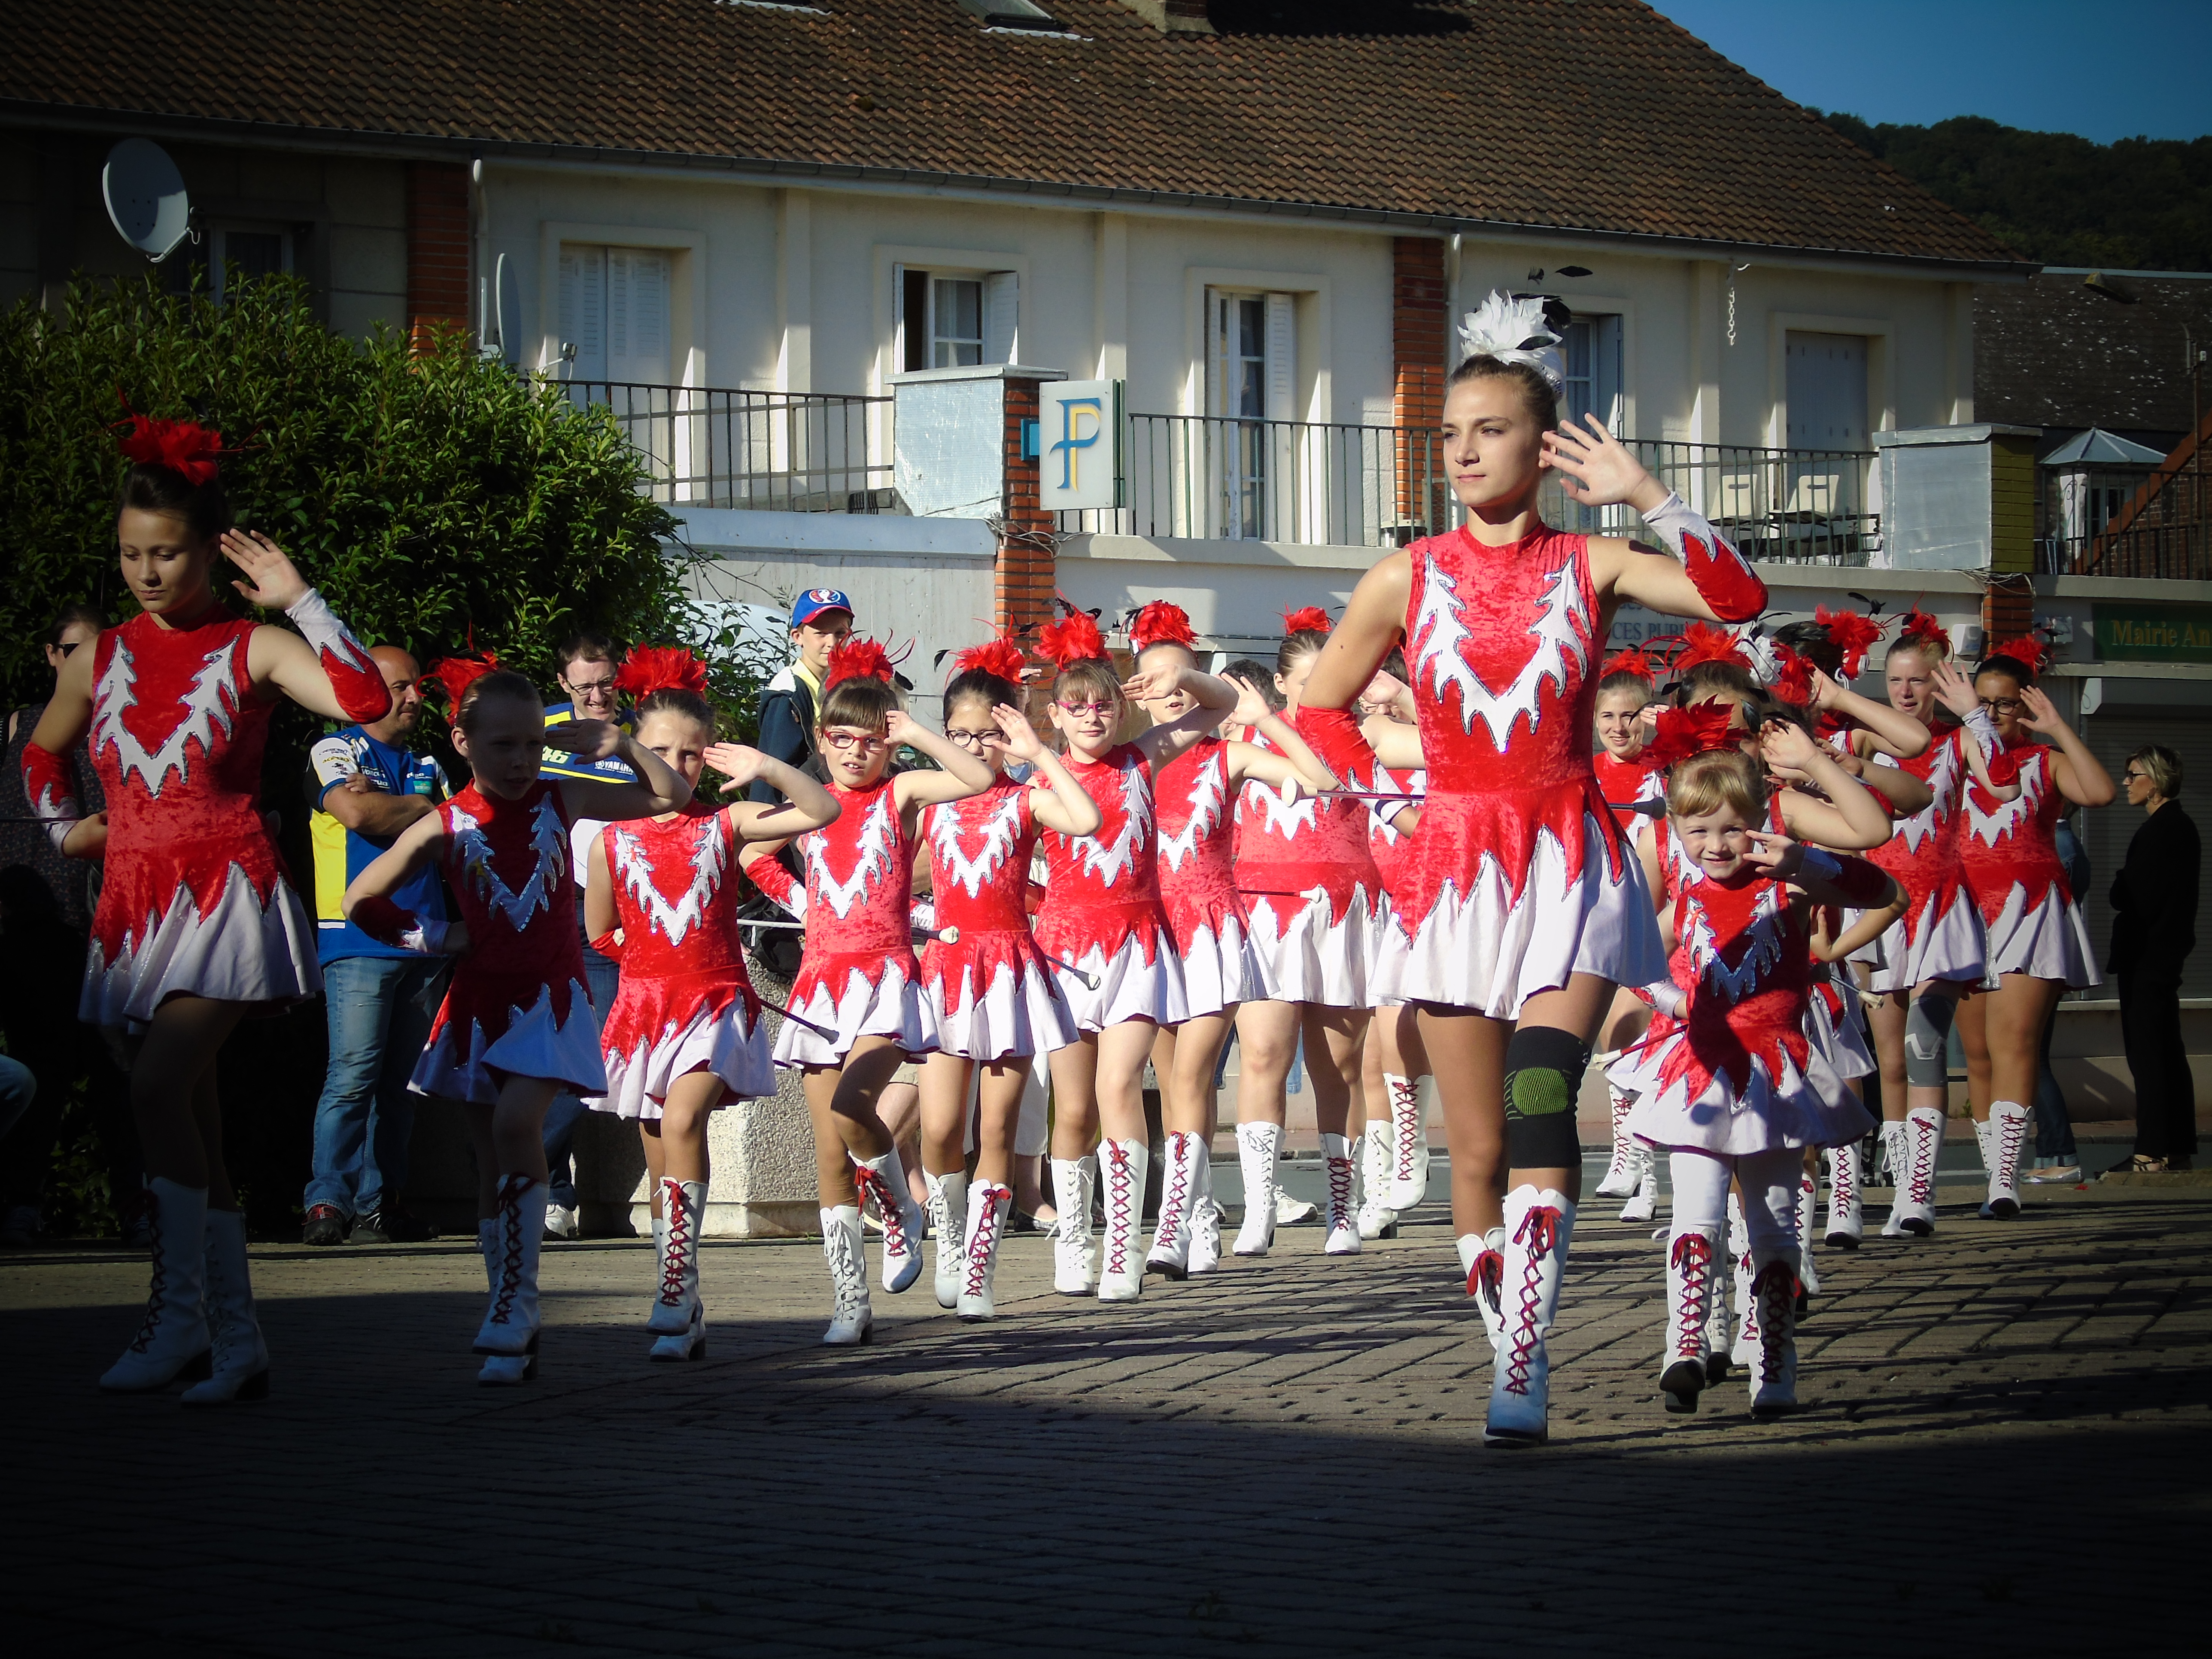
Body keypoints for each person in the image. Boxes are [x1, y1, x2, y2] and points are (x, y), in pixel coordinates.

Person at [1286, 290, 1781, 1446]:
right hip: (1456, 865)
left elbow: (1741, 600)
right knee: (1479, 1147)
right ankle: (1510, 1323)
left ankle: (1524, 1360)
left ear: (1544, 446)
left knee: (1542, 1086)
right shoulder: (1401, 578)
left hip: (1566, 857)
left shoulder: (1594, 558)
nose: (1464, 450)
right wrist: (1392, 776)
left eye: (1491, 429)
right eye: (1450, 433)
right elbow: (1320, 710)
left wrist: (1654, 498)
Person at [22, 411, 395, 1402]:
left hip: (229, 892)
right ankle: (235, 1342)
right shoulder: (95, 659)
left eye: (169, 554)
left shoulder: (256, 646)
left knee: (157, 1090)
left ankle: (178, 1316)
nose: (148, 573)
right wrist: (67, 829)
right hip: (137, 904)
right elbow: (38, 751)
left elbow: (365, 702)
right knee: (195, 1117)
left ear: (206, 548)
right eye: (132, 554)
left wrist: (304, 599)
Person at [343, 667, 690, 1383]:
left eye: (533, 742)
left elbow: (671, 794)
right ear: (463, 741)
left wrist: (619, 743)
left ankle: (518, 1299)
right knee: (487, 1157)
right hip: (477, 1004)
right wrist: (436, 937)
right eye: (503, 743)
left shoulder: (561, 797)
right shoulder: (446, 821)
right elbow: (363, 898)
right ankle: (507, 1299)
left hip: (549, 999)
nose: (520, 759)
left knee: (513, 1125)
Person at [1608, 738, 1895, 1417]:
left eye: (1731, 828)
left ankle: (1774, 1362)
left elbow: (1888, 891)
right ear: (1675, 831)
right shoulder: (1684, 887)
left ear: (1762, 818)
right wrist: (1674, 1002)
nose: (1715, 844)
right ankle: (1684, 1345)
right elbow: (1633, 952)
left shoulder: (1788, 881)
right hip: (1701, 1072)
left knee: (1772, 1226)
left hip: (1777, 1070)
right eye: (1697, 830)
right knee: (1696, 1214)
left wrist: (1807, 857)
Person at [580, 647, 840, 1359]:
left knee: (686, 1114)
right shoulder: (610, 836)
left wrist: (769, 766)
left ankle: (672, 1285)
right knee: (660, 1146)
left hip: (714, 1002)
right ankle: (683, 1284)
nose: (678, 764)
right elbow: (599, 927)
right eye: (660, 749)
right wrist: (643, 962)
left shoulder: (725, 823)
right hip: (642, 1011)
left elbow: (822, 808)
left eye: (692, 752)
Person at [738, 637, 993, 1344]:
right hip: (821, 977)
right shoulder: (811, 801)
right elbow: (748, 851)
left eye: (870, 738)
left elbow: (974, 778)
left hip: (885, 974)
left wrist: (912, 731)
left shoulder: (901, 789)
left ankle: (902, 1210)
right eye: (842, 739)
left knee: (857, 1101)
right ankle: (850, 1299)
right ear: (823, 738)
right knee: (829, 1149)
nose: (856, 752)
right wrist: (803, 904)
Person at [1032, 611, 1240, 1302]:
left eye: (1102, 704)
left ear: (1122, 709)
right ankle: (1075, 1241)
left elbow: (1224, 703)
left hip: (1137, 944)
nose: (1091, 716)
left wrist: (1178, 674)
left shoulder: (1143, 757)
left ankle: (1123, 1246)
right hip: (1063, 949)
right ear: (1055, 715)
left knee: (1121, 1085)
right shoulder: (1039, 780)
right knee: (1074, 1109)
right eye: (1076, 705)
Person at [1126, 603, 1328, 1277]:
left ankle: (1172, 1230)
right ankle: (1202, 1214)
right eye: (1154, 680)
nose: (1170, 690)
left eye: (1180, 678)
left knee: (1193, 1075)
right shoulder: (1131, 764)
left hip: (1213, 929)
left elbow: (1317, 779)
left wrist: (1264, 718)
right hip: (1152, 934)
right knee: (1169, 1078)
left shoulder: (1230, 754)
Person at [914, 638, 1097, 1318]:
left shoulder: (1026, 801)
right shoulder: (929, 806)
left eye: (990, 735)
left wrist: (1039, 752)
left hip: (1011, 972)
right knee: (939, 1130)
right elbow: (885, 878)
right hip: (945, 972)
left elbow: (1087, 819)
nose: (976, 747)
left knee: (996, 1130)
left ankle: (981, 1264)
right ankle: (951, 1239)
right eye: (961, 734)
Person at [1856, 615, 2017, 1238]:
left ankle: (1920, 1195)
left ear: (1938, 685)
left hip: (1941, 907)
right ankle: (1901, 1192)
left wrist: (1975, 713)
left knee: (1926, 1048)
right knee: (1889, 1062)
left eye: (1918, 681)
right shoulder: (1866, 741)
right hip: (1881, 907)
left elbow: (2003, 787)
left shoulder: (1956, 744)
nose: (1905, 691)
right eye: (1895, 679)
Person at [1228, 611, 1379, 1261]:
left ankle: (1343, 1209)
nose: (1326, 687)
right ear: (1284, 685)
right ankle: (1258, 1210)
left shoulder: (1363, 735)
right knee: (1262, 1054)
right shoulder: (1251, 739)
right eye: (1311, 678)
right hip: (1264, 908)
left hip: (1343, 907)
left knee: (1338, 1067)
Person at [1952, 638, 2113, 1215]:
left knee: (2014, 1042)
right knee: (1975, 1055)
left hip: (2031, 908)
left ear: (2025, 708)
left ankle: (2006, 1181)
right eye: (1985, 702)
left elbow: (2100, 793)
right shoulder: (1955, 755)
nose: (1995, 713)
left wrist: (2059, 727)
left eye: (2007, 703)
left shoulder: (2045, 761)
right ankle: (1992, 1167)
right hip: (1965, 913)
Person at [299, 645, 451, 1246]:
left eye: (416, 686)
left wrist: (409, 808)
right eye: (397, 687)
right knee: (353, 1076)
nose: (413, 697)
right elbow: (359, 816)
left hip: (426, 941)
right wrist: (420, 808)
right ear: (362, 691)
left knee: (400, 1088)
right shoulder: (333, 748)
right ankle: (326, 1202)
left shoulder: (428, 761)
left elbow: (452, 831)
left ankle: (382, 1205)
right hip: (357, 939)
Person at [2, 602, 128, 1246]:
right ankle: (21, 1206)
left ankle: (140, 1209)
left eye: (100, 652)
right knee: (38, 1069)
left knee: (120, 1069)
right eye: (75, 649)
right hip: (34, 926)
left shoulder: (118, 731)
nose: (89, 664)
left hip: (108, 924)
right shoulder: (16, 730)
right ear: (52, 655)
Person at [537, 629, 638, 1240]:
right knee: (541, 1049)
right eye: (585, 686)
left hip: (608, 909)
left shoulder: (637, 733)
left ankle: (518, 1166)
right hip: (541, 905)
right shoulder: (539, 732)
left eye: (607, 683)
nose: (598, 695)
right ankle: (547, 1188)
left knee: (593, 1051)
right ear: (563, 686)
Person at [2109, 744, 2200, 1173]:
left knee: (2148, 1053)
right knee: (2166, 1048)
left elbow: (2133, 894)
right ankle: (2176, 1145)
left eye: (2133, 774)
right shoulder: (2178, 827)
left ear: (2156, 781)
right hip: (2163, 955)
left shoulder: (2162, 830)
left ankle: (2150, 1150)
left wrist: (2120, 882)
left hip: (2147, 957)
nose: (2126, 782)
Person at [750, 587, 854, 801]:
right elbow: (777, 768)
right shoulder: (788, 692)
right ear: (797, 637)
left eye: (840, 634)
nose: (832, 643)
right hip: (799, 814)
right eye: (821, 634)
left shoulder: (846, 685)